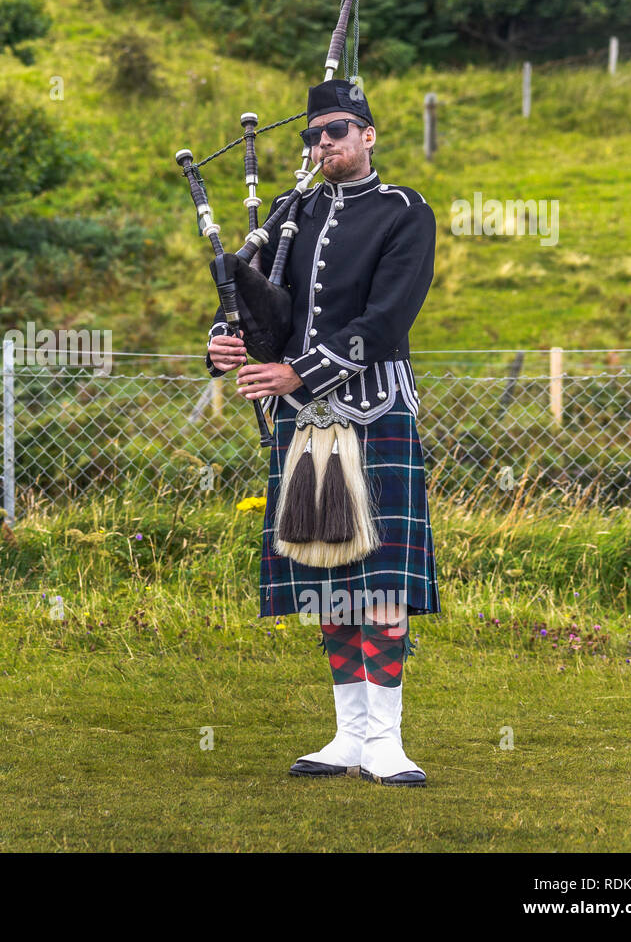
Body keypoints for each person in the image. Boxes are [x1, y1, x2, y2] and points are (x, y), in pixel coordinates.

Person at [204, 79, 439, 786]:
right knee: (324, 573)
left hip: (373, 410)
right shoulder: (288, 211)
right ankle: (348, 735)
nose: (323, 143)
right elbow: (254, 302)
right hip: (301, 421)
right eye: (312, 135)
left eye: (337, 130)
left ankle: (388, 742)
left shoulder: (405, 212)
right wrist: (223, 340)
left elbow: (386, 321)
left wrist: (298, 374)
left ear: (369, 134)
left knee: (381, 583)